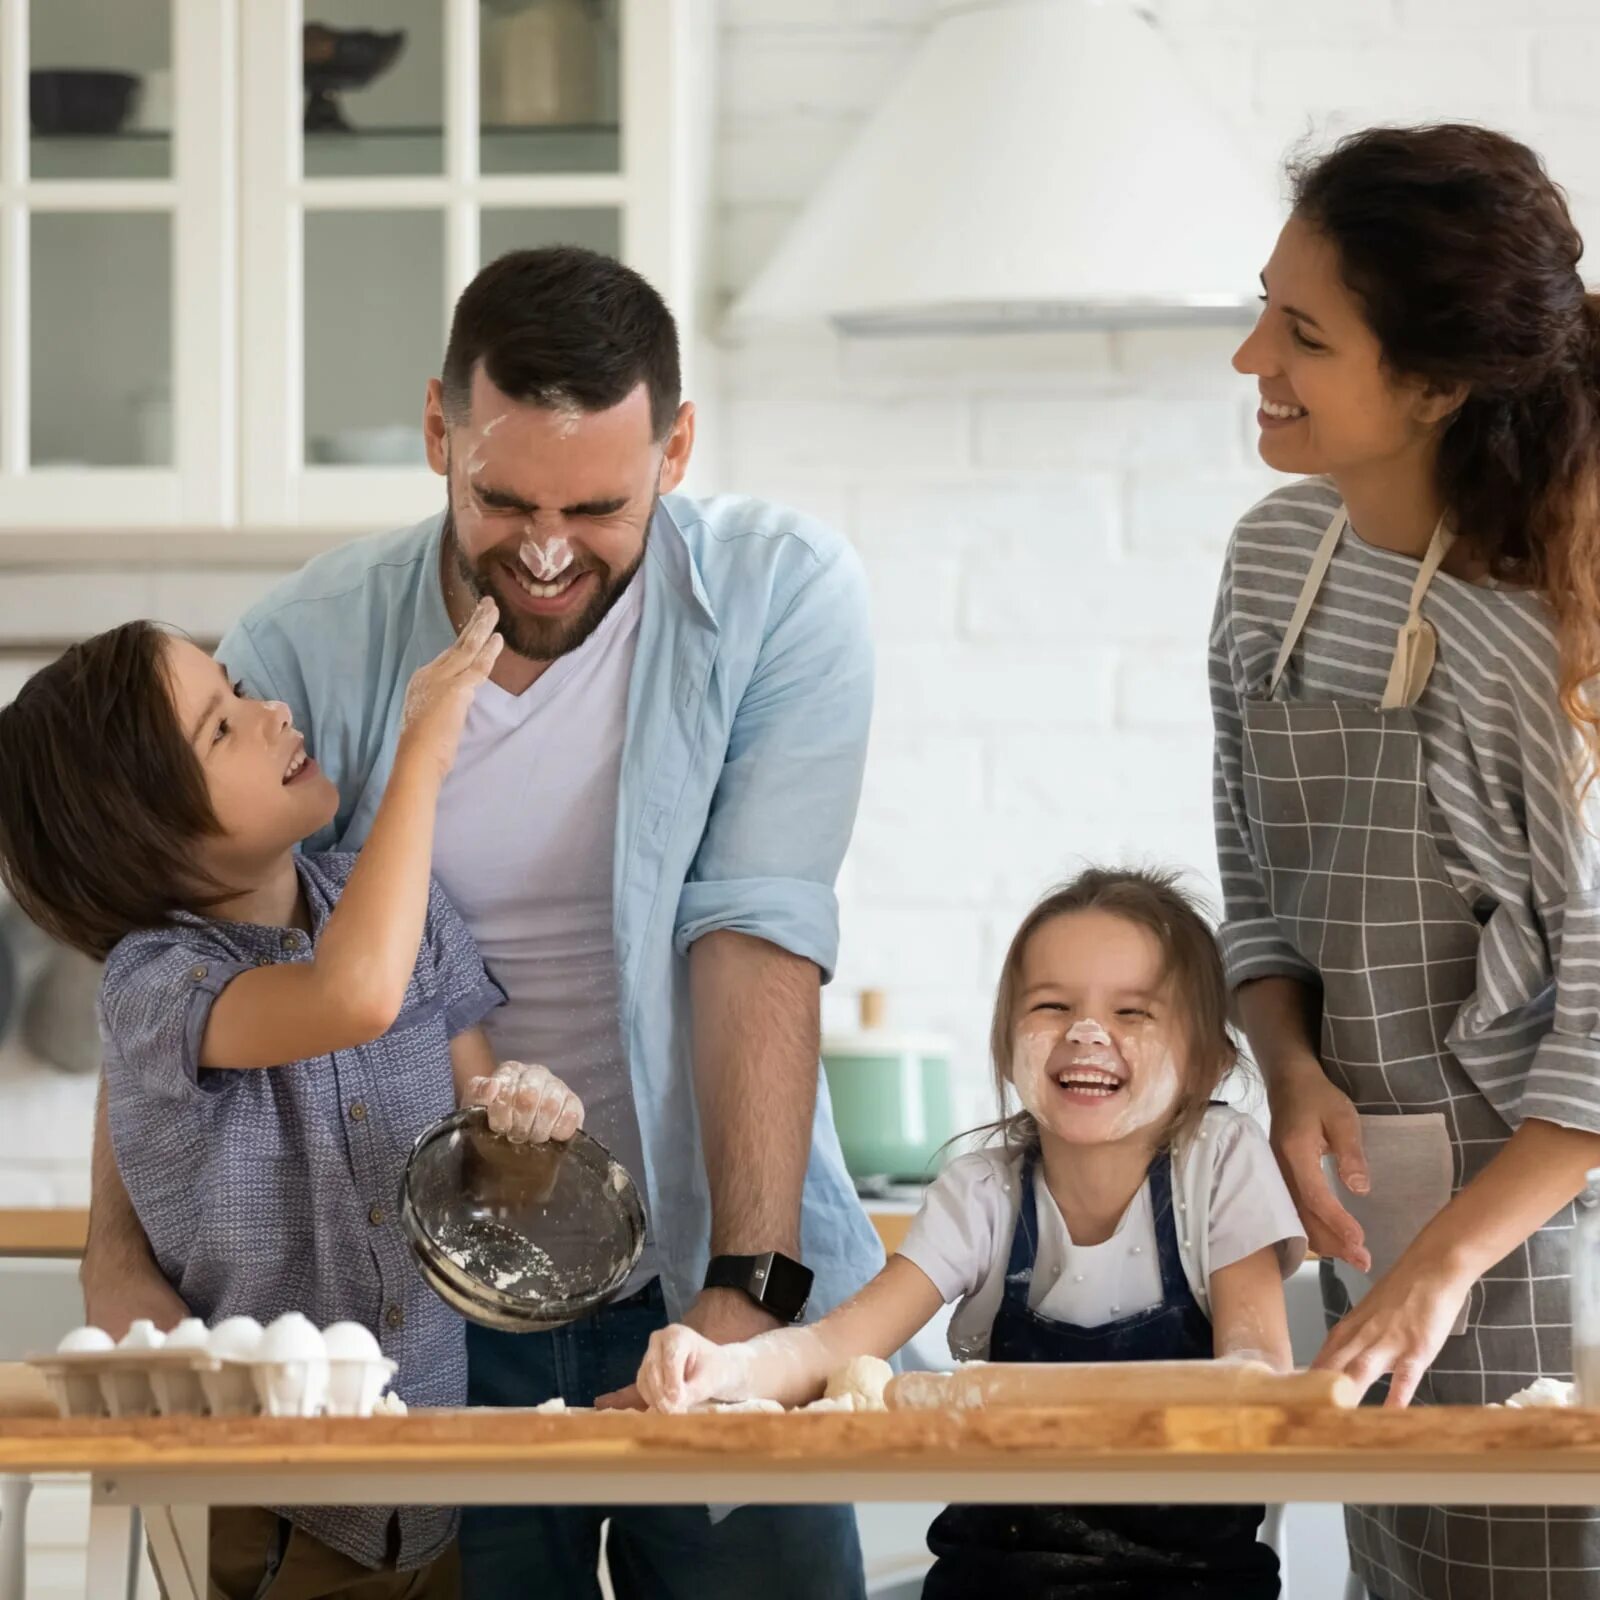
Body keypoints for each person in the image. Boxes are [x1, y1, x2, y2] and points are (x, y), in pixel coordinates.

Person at [77, 245, 880, 1599]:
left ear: (677, 448)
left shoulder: (777, 598)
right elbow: (195, 961)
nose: (549, 550)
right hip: (427, 1312)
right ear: (439, 430)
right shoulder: (305, 653)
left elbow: (755, 933)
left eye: (599, 506)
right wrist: (116, 1250)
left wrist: (746, 1288)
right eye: (504, 500)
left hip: (716, 1265)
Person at [0, 599, 587, 1597]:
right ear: (139, 831)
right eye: (220, 725)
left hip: (435, 1491)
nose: (270, 709)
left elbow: (485, 1189)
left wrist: (529, 1127)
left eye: (235, 691)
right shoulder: (154, 986)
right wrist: (424, 757)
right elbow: (347, 996)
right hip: (271, 1514)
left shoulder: (405, 909)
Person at [1214, 122, 1600, 1598]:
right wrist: (1293, 1069)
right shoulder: (1269, 569)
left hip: (1536, 1252)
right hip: (1372, 1219)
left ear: (1436, 385)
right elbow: (1254, 892)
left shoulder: (1538, 648)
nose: (1255, 356)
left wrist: (1448, 1261)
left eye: (1304, 334)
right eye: (1266, 305)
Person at [638, 867, 1306, 1600]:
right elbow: (835, 1347)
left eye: (1133, 1013)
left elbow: (1256, 1375)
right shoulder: (985, 1193)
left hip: (1193, 1580)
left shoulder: (1220, 1163)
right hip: (997, 1576)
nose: (1087, 1033)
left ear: (1208, 1059)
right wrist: (721, 1369)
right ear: (1003, 1043)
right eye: (1053, 1006)